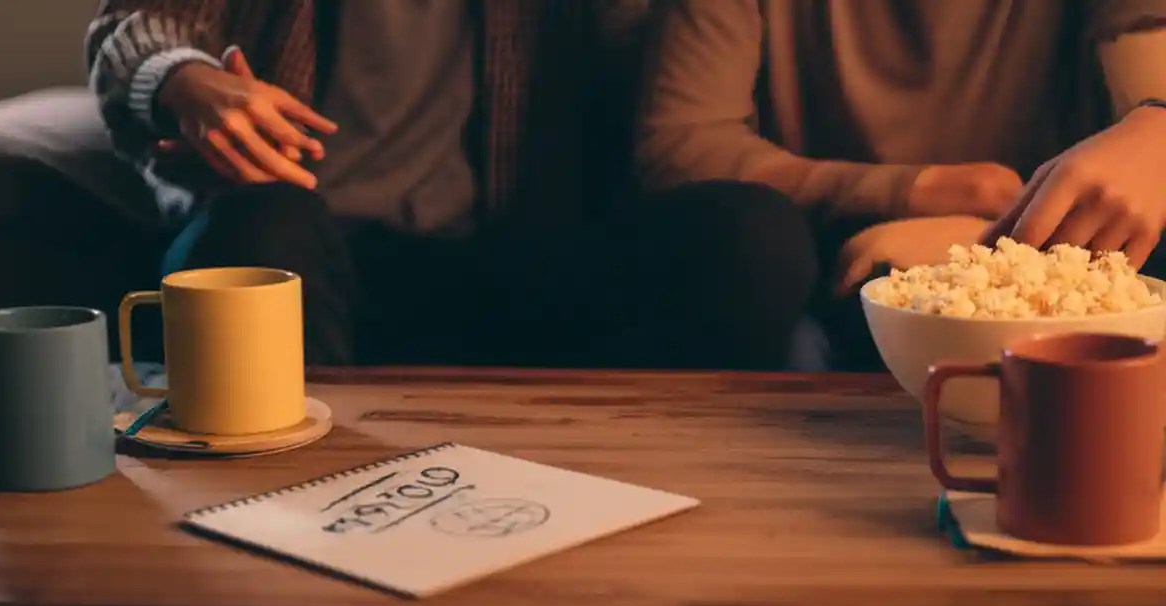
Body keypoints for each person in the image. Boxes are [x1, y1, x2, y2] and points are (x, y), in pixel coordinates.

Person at [86, 0, 816, 371]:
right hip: (314, 257)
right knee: (253, 243)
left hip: (521, 267)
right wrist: (183, 79)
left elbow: (663, 88)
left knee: (751, 235)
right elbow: (139, 24)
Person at [638, 0, 1166, 370]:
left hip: (1052, 258)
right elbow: (680, 144)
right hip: (809, 260)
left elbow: (1145, 136)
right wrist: (919, 190)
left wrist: (983, 244)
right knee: (747, 240)